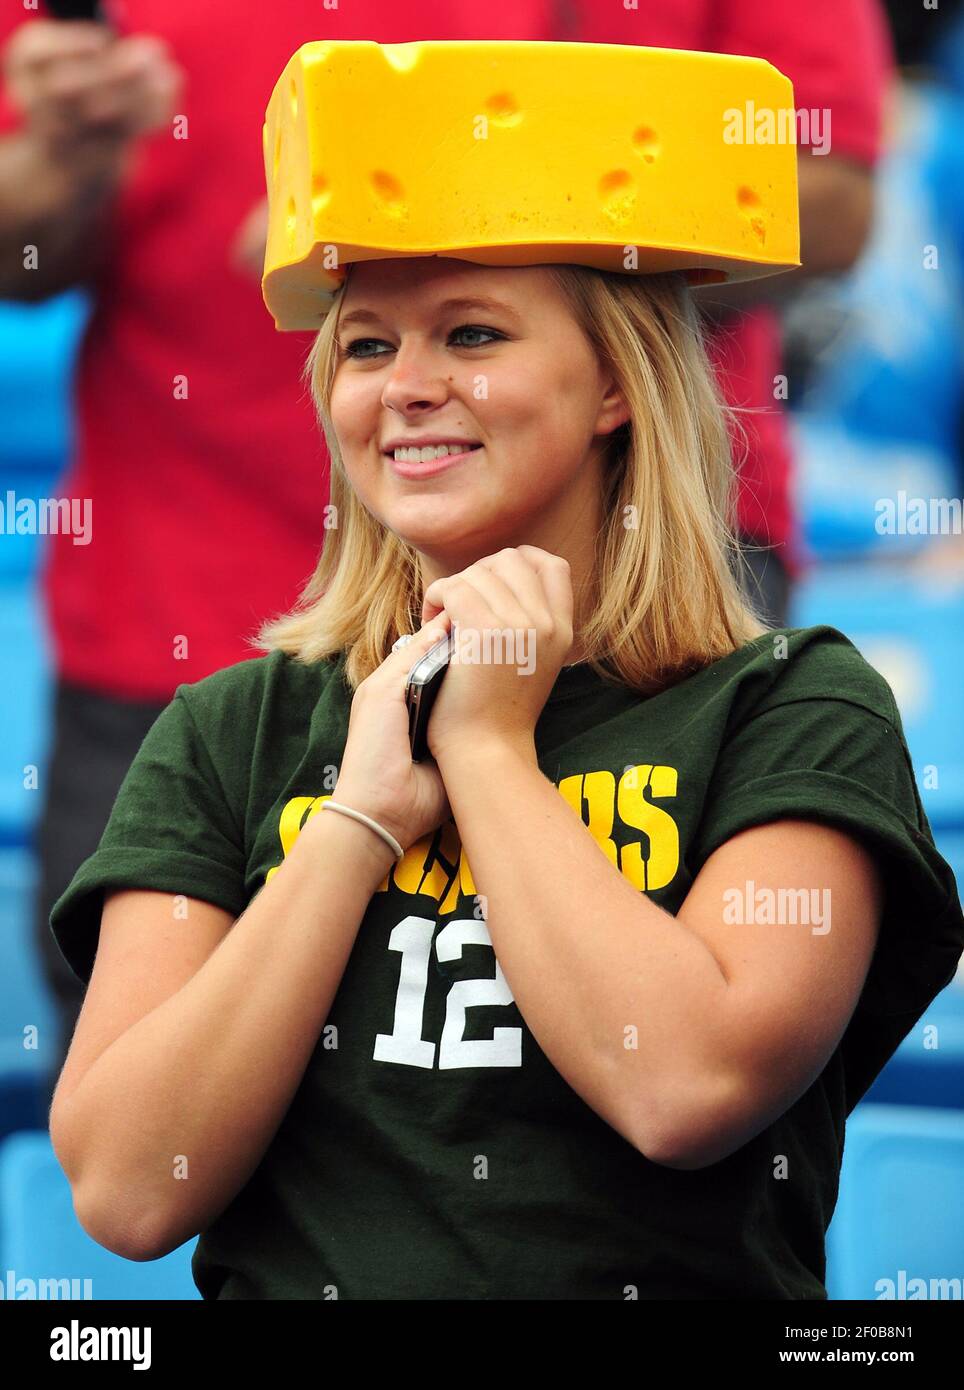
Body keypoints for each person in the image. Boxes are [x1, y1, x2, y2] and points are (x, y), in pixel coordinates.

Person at [44, 33, 963, 1296]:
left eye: (470, 334)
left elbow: (683, 1084)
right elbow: (129, 1189)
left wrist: (486, 749)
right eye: (366, 347)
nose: (407, 387)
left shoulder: (793, 707)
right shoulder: (231, 727)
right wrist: (356, 822)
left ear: (613, 387)